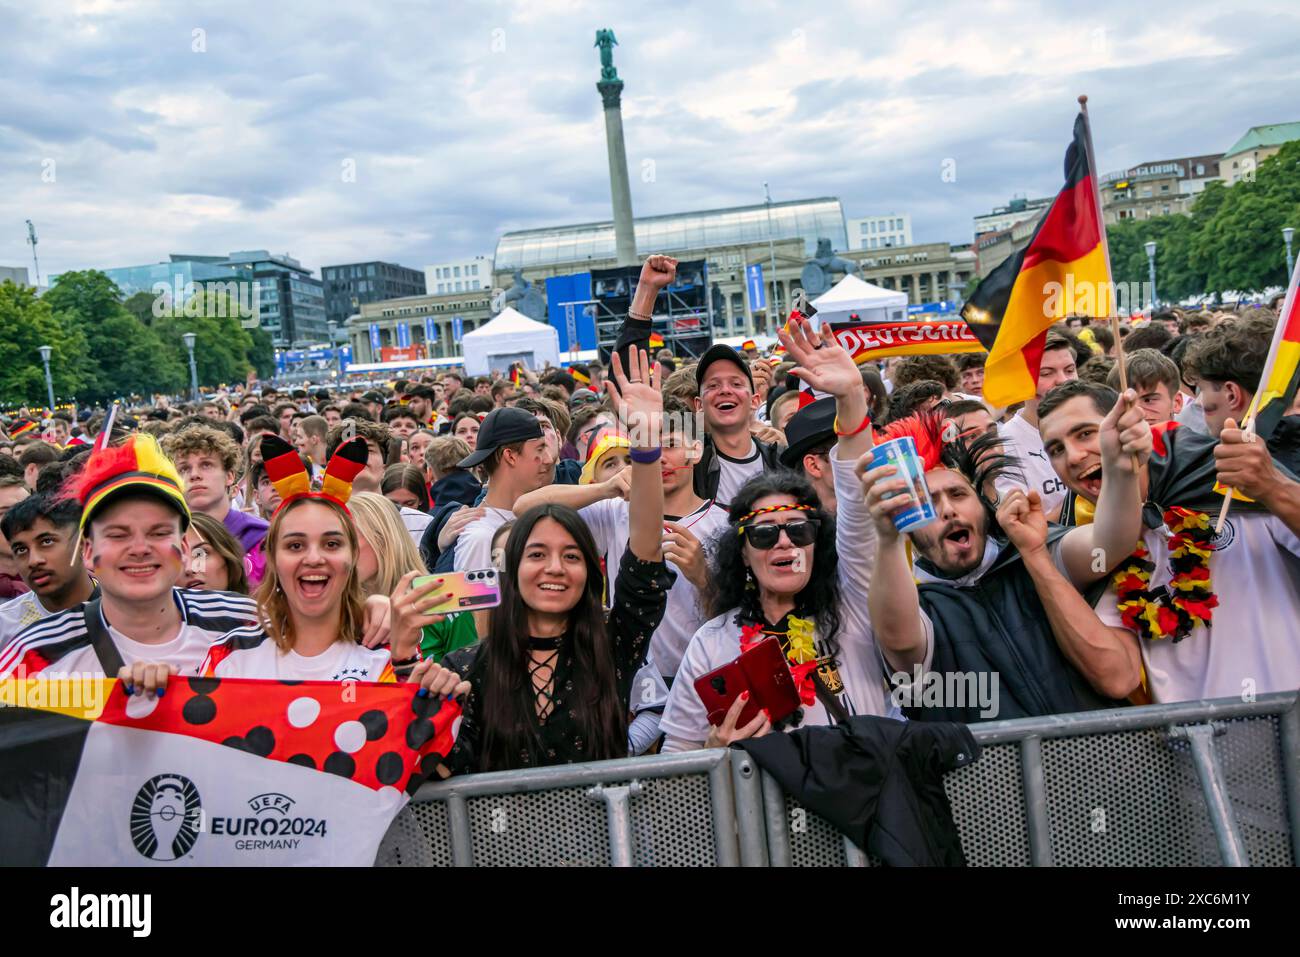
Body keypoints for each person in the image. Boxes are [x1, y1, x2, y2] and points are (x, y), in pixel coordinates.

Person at [860, 382, 1153, 723]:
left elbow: (1110, 544)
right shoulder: (919, 606)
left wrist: (1118, 469)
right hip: (990, 777)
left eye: (957, 494)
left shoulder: (1035, 548)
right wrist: (886, 537)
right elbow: (898, 635)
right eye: (926, 502)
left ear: (982, 504)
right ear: (907, 526)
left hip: (1096, 767)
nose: (948, 511)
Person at [439, 346, 670, 773]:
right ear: (509, 567)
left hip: (607, 835)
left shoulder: (611, 646)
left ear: (589, 568)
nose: (554, 567)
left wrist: (647, 447)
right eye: (537, 553)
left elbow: (645, 550)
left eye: (570, 555)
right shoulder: (470, 668)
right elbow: (440, 767)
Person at [661, 318, 885, 750]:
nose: (784, 542)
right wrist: (714, 756)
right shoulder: (713, 644)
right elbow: (676, 764)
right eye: (763, 534)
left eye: (798, 529)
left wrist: (852, 398)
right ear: (742, 552)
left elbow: (859, 515)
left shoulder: (852, 608)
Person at [1038, 379, 1300, 702]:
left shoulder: (1224, 478)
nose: (1075, 456)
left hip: (1290, 729)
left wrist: (1272, 487)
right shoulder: (1082, 536)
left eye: (1085, 434)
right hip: (1188, 744)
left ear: (1128, 422)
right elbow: (1118, 677)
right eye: (1056, 449)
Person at [0, 435, 258, 685]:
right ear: (87, 551)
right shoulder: (33, 655)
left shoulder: (245, 621)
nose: (139, 548)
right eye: (117, 534)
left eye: (158, 532)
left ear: (183, 548)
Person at [513, 395, 729, 682]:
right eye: (648, 446)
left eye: (671, 445)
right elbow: (523, 508)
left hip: (702, 676)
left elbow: (737, 615)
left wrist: (702, 576)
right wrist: (605, 489)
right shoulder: (615, 510)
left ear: (695, 450)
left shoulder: (725, 522)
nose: (659, 456)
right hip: (632, 680)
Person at [453, 406, 556, 575]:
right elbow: (484, 600)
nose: (548, 458)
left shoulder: (530, 517)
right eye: (539, 449)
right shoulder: (482, 538)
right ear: (510, 456)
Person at [994, 332, 1078, 518]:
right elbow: (1025, 529)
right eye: (1046, 373)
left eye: (1070, 370)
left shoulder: (1098, 425)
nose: (1063, 381)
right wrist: (1080, 493)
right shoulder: (1004, 446)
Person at [0, 494, 97, 647]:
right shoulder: (5, 626)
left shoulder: (128, 608)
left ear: (82, 543)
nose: (34, 561)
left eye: (47, 542)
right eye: (21, 549)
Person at [161, 424, 269, 560]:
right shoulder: (167, 540)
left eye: (206, 465)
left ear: (229, 476)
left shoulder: (262, 537)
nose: (194, 475)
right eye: (184, 469)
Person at [1105, 348, 1183, 426]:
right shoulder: (1106, 436)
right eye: (1126, 403)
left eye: (1148, 400)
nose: (1137, 413)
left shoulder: (1192, 437)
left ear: (1176, 402)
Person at [181, 511, 249, 594]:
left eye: (201, 554)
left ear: (227, 557)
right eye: (178, 558)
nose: (189, 569)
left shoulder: (256, 606)